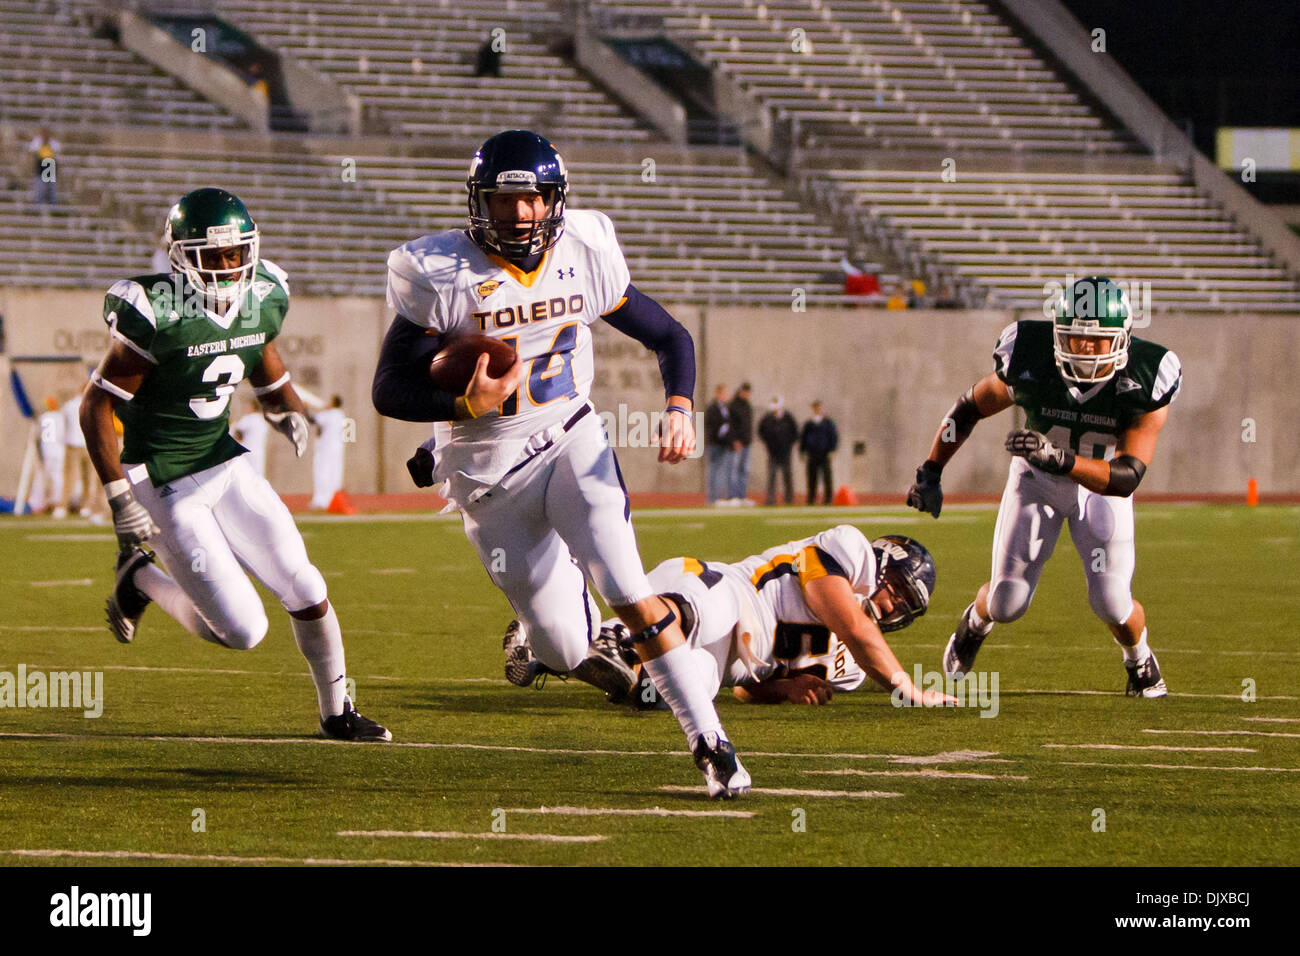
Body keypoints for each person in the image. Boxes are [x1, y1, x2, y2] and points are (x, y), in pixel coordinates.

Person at [373, 129, 748, 798]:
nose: (520, 216)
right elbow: (388, 387)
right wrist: (461, 404)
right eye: (503, 202)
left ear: (555, 200)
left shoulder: (584, 250)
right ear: (478, 204)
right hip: (489, 482)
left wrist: (681, 408)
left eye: (534, 199)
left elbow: (668, 335)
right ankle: (546, 636)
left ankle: (711, 744)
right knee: (563, 648)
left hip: (572, 439)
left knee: (630, 590)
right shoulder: (440, 273)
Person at [79, 187, 390, 741]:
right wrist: (119, 497)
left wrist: (285, 408)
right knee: (244, 631)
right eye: (212, 257)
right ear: (179, 257)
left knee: (304, 583)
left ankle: (336, 709)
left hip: (224, 465)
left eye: (235, 254)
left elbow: (262, 360)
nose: (227, 269)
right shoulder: (159, 311)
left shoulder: (263, 293)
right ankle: (143, 579)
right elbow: (97, 405)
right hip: (164, 479)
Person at [905, 276, 1181, 698]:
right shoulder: (1030, 357)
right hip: (1037, 480)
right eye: (1073, 338)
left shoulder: (1148, 376)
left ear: (1123, 339)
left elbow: (1128, 476)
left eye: (1097, 341)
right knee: (1007, 602)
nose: (1084, 351)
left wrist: (1064, 459)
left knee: (1112, 602)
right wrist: (930, 470)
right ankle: (977, 622)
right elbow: (968, 408)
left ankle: (1138, 658)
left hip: (1100, 487)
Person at [505, 527, 956, 711]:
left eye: (906, 603)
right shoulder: (850, 550)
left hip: (725, 664)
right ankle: (607, 633)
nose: (893, 602)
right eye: (896, 585)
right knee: (712, 613)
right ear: (881, 561)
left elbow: (745, 686)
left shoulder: (854, 671)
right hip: (718, 590)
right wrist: (907, 689)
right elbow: (847, 621)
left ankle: (552, 649)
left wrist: (786, 688)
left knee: (677, 690)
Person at [757, 395, 797, 505]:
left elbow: (795, 432)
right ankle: (770, 499)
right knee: (771, 476)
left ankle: (789, 499)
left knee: (787, 476)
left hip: (785, 452)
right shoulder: (767, 418)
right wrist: (768, 444)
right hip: (773, 452)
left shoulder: (788, 417)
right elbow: (761, 432)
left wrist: (788, 445)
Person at [309, 395, 346, 509]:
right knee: (334, 474)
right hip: (337, 448)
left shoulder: (330, 414)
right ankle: (332, 499)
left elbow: (312, 419)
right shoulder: (340, 415)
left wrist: (305, 408)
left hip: (326, 448)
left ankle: (322, 500)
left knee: (322, 473)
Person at [800, 400, 838, 505]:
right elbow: (803, 438)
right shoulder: (809, 424)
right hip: (812, 454)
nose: (817, 409)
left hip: (824, 453)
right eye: (815, 407)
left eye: (819, 407)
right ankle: (811, 499)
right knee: (812, 478)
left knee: (827, 477)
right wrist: (802, 451)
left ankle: (828, 499)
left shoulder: (828, 422)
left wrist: (832, 449)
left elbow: (833, 436)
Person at [702, 384, 731, 505]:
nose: (726, 396)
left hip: (723, 443)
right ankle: (712, 497)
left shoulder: (725, 408)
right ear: (718, 394)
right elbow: (711, 425)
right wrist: (720, 433)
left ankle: (718, 496)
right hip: (714, 443)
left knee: (722, 471)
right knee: (714, 470)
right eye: (724, 393)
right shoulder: (712, 408)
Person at [727, 381, 754, 505]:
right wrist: (735, 440)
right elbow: (731, 425)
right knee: (734, 470)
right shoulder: (733, 405)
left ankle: (742, 496)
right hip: (737, 444)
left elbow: (748, 426)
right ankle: (733, 496)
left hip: (746, 443)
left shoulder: (748, 406)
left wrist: (747, 440)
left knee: (744, 470)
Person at [230, 398, 269, 478]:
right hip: (259, 453)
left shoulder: (248, 419)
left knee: (244, 476)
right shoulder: (263, 421)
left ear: (252, 407)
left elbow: (235, 432)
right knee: (258, 477)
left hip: (247, 453)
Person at [29, 127, 60, 208]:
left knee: (51, 187)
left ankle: (52, 204)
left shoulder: (53, 143)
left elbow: (57, 153)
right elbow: (33, 154)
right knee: (39, 186)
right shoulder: (37, 142)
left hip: (50, 165)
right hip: (40, 165)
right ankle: (38, 204)